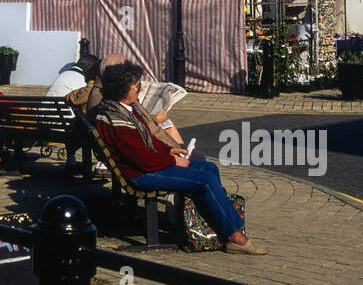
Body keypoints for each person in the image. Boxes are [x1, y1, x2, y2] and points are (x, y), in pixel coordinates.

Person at [93, 61, 266, 254]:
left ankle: (208, 226)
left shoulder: (125, 110)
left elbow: (148, 141)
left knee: (210, 169)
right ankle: (235, 237)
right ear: (122, 89)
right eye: (137, 87)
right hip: (140, 175)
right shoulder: (115, 120)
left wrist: (170, 151)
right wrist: (172, 161)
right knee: (205, 180)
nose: (140, 90)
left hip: (147, 167)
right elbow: (141, 159)